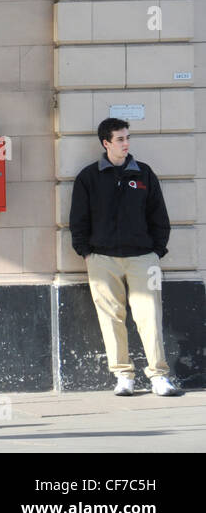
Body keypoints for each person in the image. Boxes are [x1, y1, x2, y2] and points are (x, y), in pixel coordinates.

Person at [69, 118, 183, 396]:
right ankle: (123, 376)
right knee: (111, 318)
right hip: (101, 259)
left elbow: (159, 216)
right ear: (106, 143)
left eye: (127, 138)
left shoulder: (143, 174)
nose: (126, 143)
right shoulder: (89, 177)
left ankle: (158, 377)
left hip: (143, 258)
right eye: (120, 139)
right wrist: (86, 252)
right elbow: (78, 218)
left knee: (150, 316)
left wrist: (157, 250)